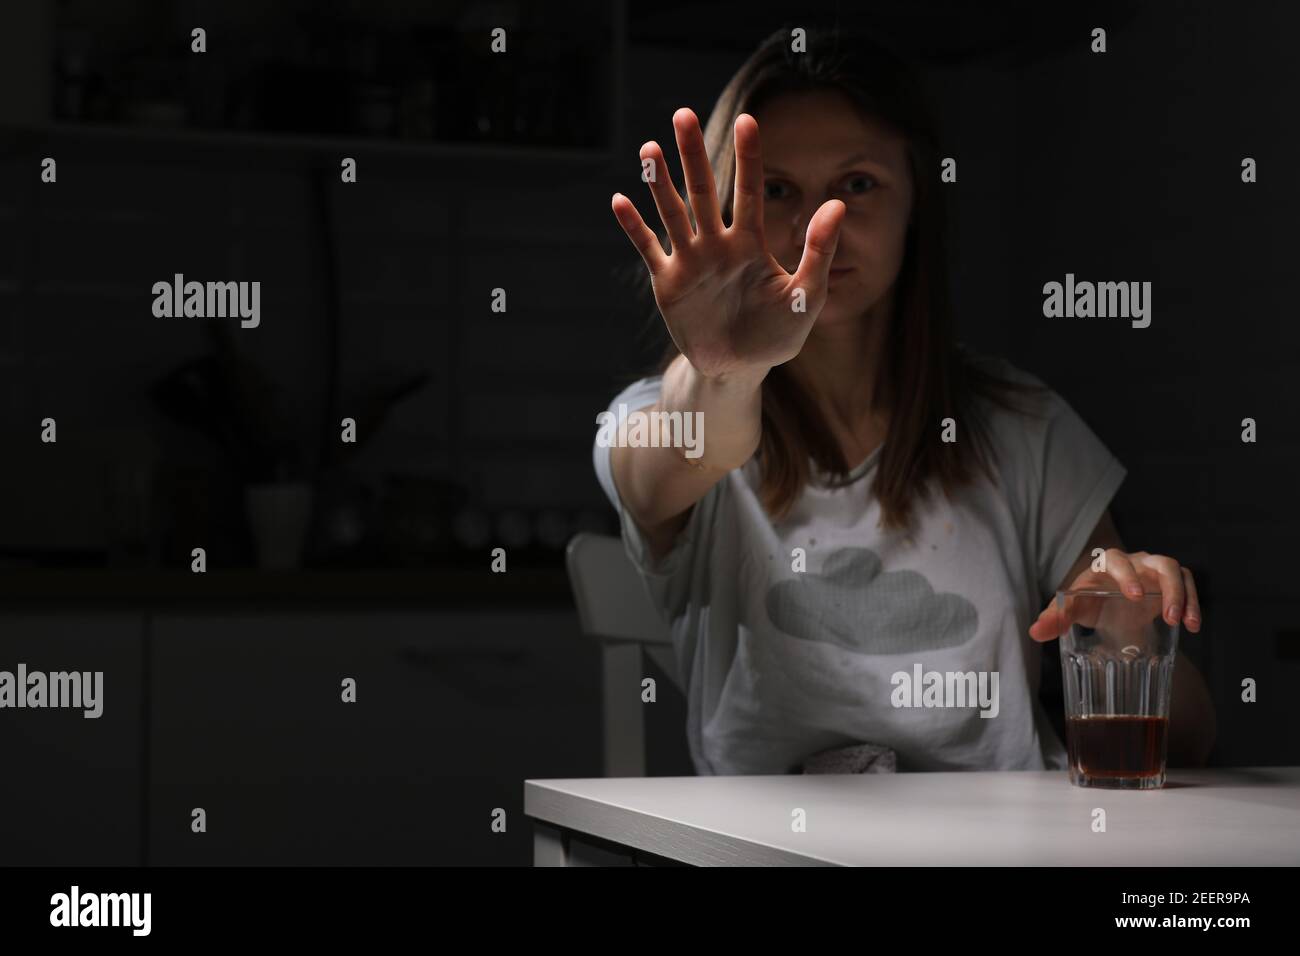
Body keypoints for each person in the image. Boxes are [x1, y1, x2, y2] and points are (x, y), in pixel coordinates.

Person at [596, 27, 1215, 775]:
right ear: (733, 208)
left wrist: (1126, 635)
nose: (817, 226)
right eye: (777, 190)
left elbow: (1188, 738)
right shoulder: (661, 418)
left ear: (916, 198)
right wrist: (723, 370)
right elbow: (684, 453)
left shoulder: (1023, 425)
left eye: (857, 184)